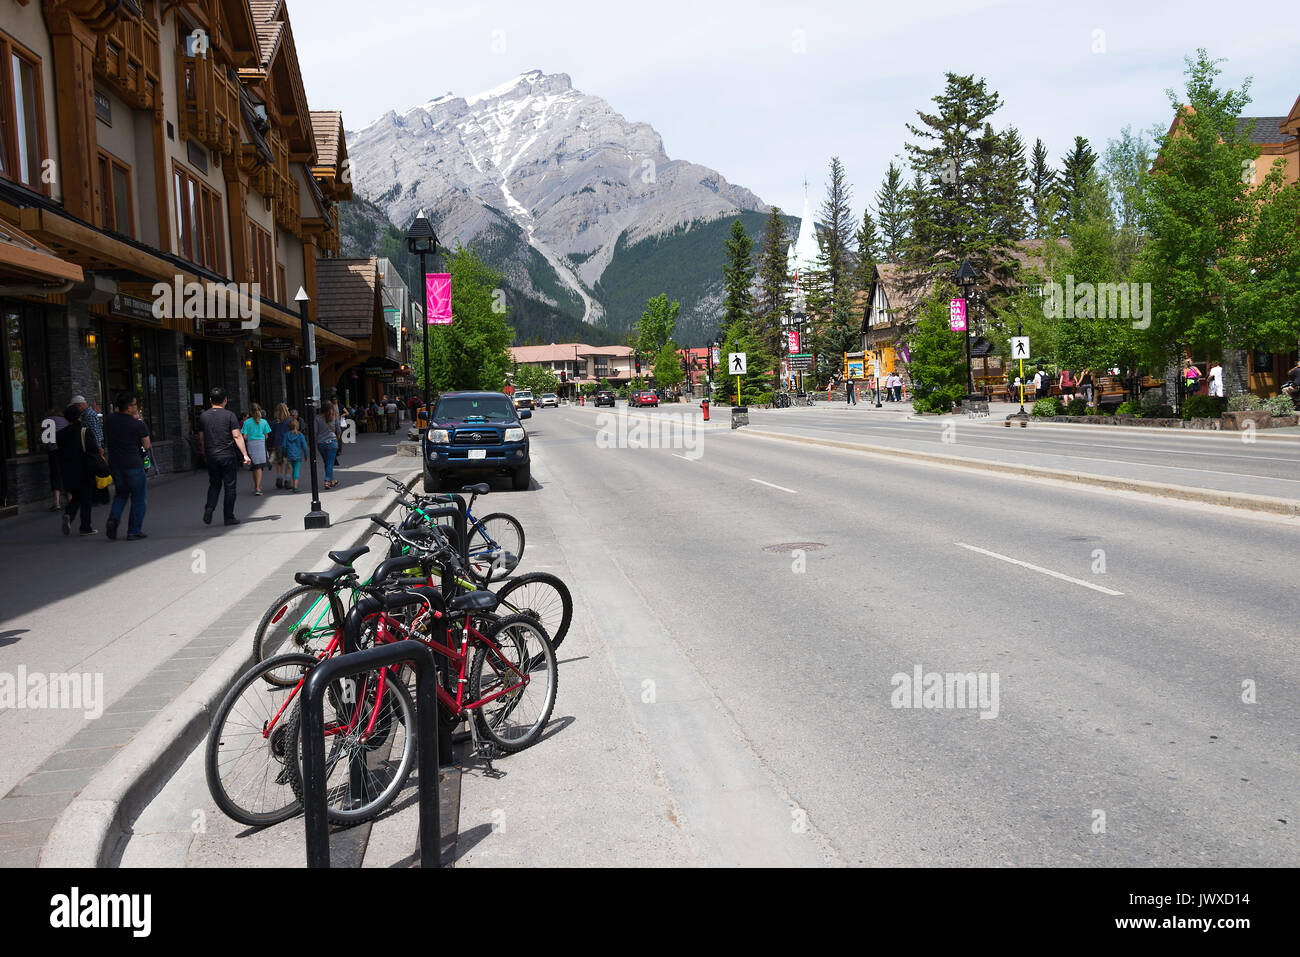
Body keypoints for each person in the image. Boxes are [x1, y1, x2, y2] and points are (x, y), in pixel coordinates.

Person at [198, 386, 251, 526]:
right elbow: (237, 436)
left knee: (214, 484)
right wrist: (245, 454)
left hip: (211, 455)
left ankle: (210, 507)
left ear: (210, 400)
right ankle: (228, 517)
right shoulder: (230, 415)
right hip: (227, 455)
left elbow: (202, 438)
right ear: (225, 400)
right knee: (230, 486)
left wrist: (204, 452)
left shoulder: (203, 416)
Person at [104, 391, 152, 541]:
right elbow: (147, 445)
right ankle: (133, 530)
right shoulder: (137, 424)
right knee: (138, 498)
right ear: (129, 407)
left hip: (115, 465)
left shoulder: (109, 420)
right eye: (135, 404)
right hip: (133, 464)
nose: (136, 407)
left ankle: (113, 520)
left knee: (121, 494)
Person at [57, 404, 99, 536]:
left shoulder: (60, 434)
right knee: (86, 498)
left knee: (76, 496)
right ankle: (85, 527)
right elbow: (93, 449)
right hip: (84, 469)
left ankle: (69, 514)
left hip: (67, 470)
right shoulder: (84, 431)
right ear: (79, 416)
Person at [241, 403, 272, 496]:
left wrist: (250, 438)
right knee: (259, 467)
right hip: (261, 444)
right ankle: (257, 488)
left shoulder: (246, 422)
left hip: (251, 444)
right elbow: (266, 436)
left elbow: (244, 436)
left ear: (250, 412)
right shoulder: (264, 422)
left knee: (255, 466)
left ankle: (256, 486)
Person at [44, 406, 68, 511]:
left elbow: (45, 438)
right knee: (66, 474)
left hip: (53, 451)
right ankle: (70, 499)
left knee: (55, 475)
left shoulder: (47, 421)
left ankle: (57, 502)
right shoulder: (65, 421)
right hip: (64, 450)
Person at [281, 417, 309, 491]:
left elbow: (283, 446)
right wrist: (306, 456)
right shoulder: (300, 435)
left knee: (289, 469)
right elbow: (305, 447)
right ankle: (295, 487)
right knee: (296, 470)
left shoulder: (286, 435)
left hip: (289, 455)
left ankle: (289, 482)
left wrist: (284, 454)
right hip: (297, 456)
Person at [269, 403, 292, 489]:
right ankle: (287, 481)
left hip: (278, 444)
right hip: (288, 444)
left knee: (279, 463)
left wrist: (271, 446)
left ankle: (279, 479)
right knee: (288, 463)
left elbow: (271, 435)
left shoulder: (274, 422)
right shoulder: (290, 421)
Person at [316, 405, 339, 489]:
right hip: (332, 442)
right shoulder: (334, 416)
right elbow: (338, 429)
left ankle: (332, 480)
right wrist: (338, 437)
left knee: (327, 462)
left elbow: (315, 431)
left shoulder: (317, 418)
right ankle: (327, 481)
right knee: (329, 463)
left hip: (321, 443)